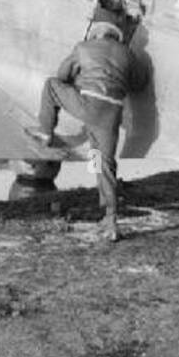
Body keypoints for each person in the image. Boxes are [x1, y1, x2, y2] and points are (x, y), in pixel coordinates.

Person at [26, 21, 149, 242]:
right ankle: (110, 220)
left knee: (51, 86)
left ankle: (45, 133)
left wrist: (80, 80)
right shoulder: (127, 54)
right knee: (105, 164)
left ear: (96, 34)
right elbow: (140, 83)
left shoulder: (83, 48)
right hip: (112, 112)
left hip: (88, 105)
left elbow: (62, 76)